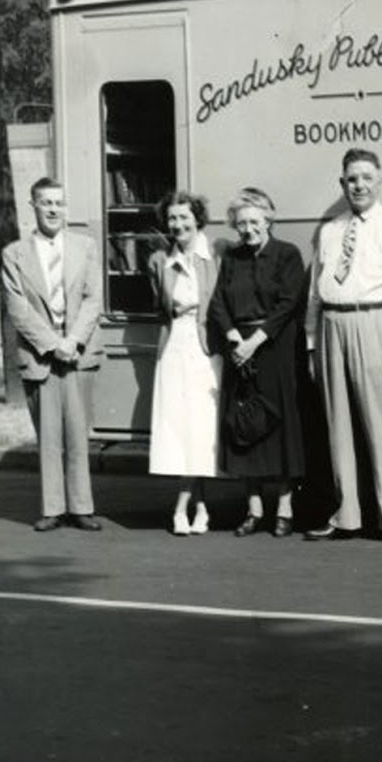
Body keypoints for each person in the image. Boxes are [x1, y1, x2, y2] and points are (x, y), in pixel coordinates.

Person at [304, 148, 382, 544]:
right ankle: (346, 514)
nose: (359, 185)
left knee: (381, 425)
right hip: (333, 324)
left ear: (379, 180)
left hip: (376, 322)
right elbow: (315, 293)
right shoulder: (331, 230)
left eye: (367, 177)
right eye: (352, 179)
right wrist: (311, 345)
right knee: (338, 425)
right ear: (342, 183)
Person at [0, 176, 105, 532]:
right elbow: (18, 310)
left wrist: (73, 339)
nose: (53, 209)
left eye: (59, 202)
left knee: (78, 432)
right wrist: (52, 343)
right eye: (46, 202)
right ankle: (52, 508)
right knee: (48, 435)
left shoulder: (85, 246)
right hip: (41, 355)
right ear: (33, 207)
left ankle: (81, 506)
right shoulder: (14, 254)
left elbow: (93, 298)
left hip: (78, 351)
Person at [208, 187, 306, 537]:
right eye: (241, 223)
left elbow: (288, 303)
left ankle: (284, 507)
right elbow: (218, 301)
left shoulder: (287, 255)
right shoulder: (233, 258)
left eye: (254, 221)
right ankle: (253, 509)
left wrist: (255, 341)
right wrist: (234, 337)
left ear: (269, 219)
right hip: (240, 350)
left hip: (274, 349)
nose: (248, 229)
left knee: (279, 429)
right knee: (244, 428)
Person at [147, 190, 222, 535]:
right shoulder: (159, 260)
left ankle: (181, 507)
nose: (177, 224)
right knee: (179, 429)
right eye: (172, 218)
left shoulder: (216, 255)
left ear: (198, 219)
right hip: (174, 347)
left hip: (205, 350)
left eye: (184, 217)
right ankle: (202, 507)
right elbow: (160, 309)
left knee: (202, 429)